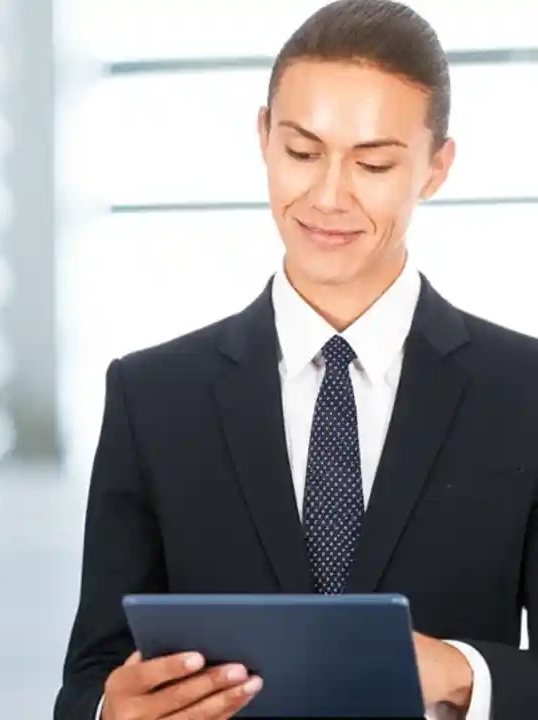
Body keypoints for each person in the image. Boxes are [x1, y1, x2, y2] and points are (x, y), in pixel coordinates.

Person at [54, 1, 538, 719]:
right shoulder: (153, 398)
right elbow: (90, 680)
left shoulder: (523, 393)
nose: (328, 196)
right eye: (302, 153)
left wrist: (462, 673)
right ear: (263, 138)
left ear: (437, 168)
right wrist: (108, 712)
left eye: (372, 163)